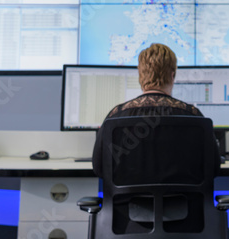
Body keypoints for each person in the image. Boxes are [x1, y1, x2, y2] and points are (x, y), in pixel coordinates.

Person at [91, 43, 220, 176]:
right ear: (172, 75)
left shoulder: (115, 116)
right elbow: (214, 168)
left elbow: (99, 168)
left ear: (140, 75)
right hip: (183, 197)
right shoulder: (194, 116)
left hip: (129, 197)